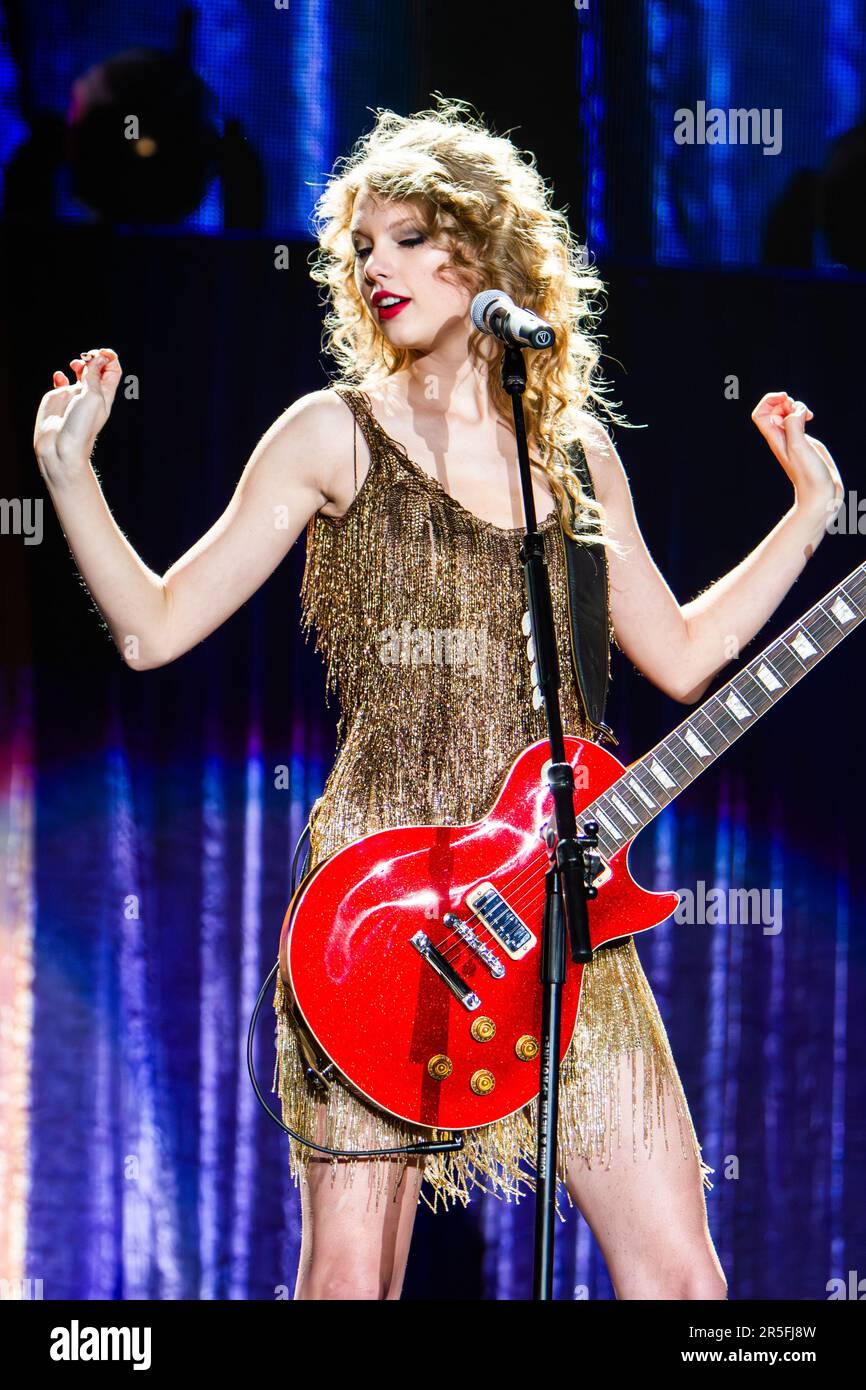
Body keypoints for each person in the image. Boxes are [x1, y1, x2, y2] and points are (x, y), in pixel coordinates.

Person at [33, 97, 842, 1301]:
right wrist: (68, 475)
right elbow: (154, 628)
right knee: (350, 1277)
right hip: (381, 904)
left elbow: (679, 656)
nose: (377, 268)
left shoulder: (574, 457)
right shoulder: (331, 431)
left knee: (682, 1282)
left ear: (485, 251)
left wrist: (809, 517)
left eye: (408, 240)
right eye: (361, 247)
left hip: (557, 899)